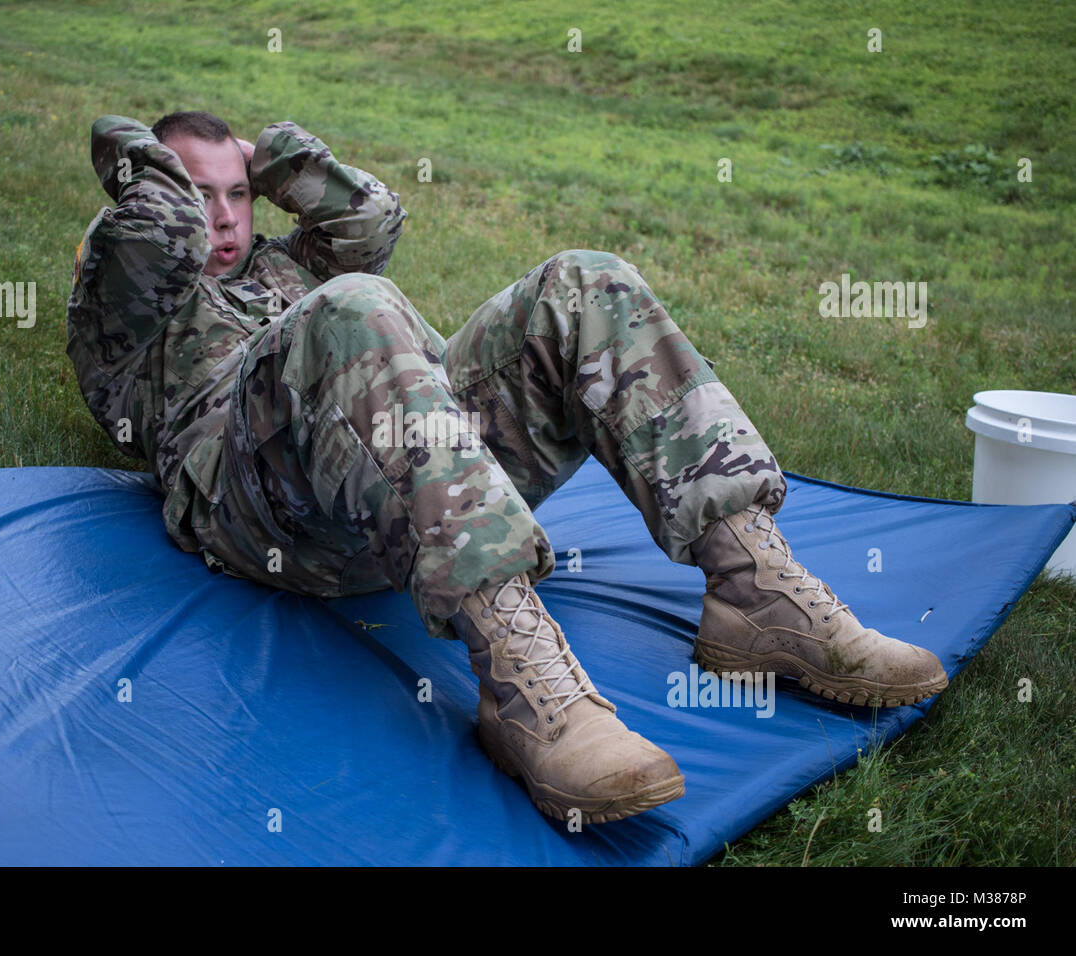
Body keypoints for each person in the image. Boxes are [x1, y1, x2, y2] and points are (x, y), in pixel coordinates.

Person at [66, 110, 949, 825]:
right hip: (267, 509)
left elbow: (371, 216)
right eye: (198, 193)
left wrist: (278, 160)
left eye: (235, 194)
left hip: (406, 476)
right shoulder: (133, 301)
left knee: (585, 281)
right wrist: (140, 153)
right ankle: (527, 692)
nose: (222, 217)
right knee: (356, 305)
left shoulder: (286, 264)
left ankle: (754, 587)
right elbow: (160, 230)